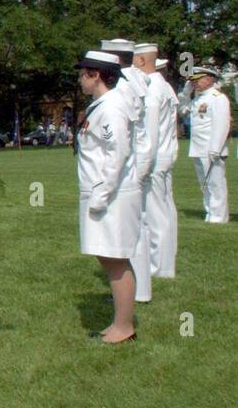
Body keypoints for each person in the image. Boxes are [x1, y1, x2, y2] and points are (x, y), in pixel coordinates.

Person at [74, 50, 137, 344]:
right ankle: (120, 323)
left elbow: (118, 153)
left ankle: (124, 326)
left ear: (95, 74)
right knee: (109, 257)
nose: (79, 79)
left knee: (115, 259)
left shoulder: (111, 107)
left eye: (82, 73)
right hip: (100, 192)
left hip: (110, 195)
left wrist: (101, 194)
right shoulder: (102, 105)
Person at [102, 38, 155, 303]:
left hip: (128, 164)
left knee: (125, 234)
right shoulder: (136, 81)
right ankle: (139, 290)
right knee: (136, 227)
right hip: (136, 159)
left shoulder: (122, 86)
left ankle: (133, 293)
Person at [132, 44, 179, 277]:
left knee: (154, 214)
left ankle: (159, 267)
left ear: (141, 61)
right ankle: (166, 262)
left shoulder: (152, 90)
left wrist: (142, 166)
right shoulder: (165, 86)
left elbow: (150, 132)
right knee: (166, 210)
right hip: (165, 155)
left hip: (154, 158)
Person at [185, 62, 230, 223]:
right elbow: (181, 110)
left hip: (212, 148)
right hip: (198, 147)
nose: (195, 82)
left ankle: (219, 216)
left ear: (210, 79)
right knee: (204, 183)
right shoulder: (197, 99)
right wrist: (185, 94)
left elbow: (222, 124)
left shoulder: (218, 98)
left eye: (199, 79)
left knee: (215, 183)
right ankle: (210, 212)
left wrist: (215, 148)